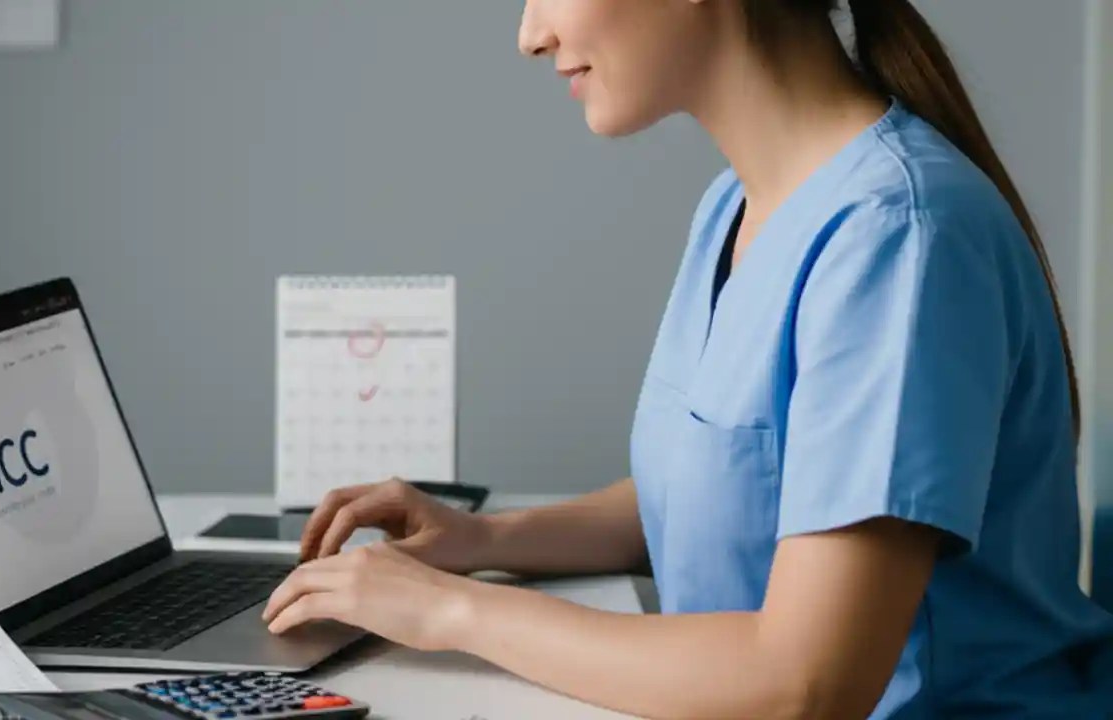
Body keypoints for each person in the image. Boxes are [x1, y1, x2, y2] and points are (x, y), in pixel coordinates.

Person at [261, 0, 1113, 716]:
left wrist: (452, 610)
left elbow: (806, 682)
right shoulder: (736, 205)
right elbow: (734, 486)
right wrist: (483, 539)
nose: (530, 33)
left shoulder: (898, 237)